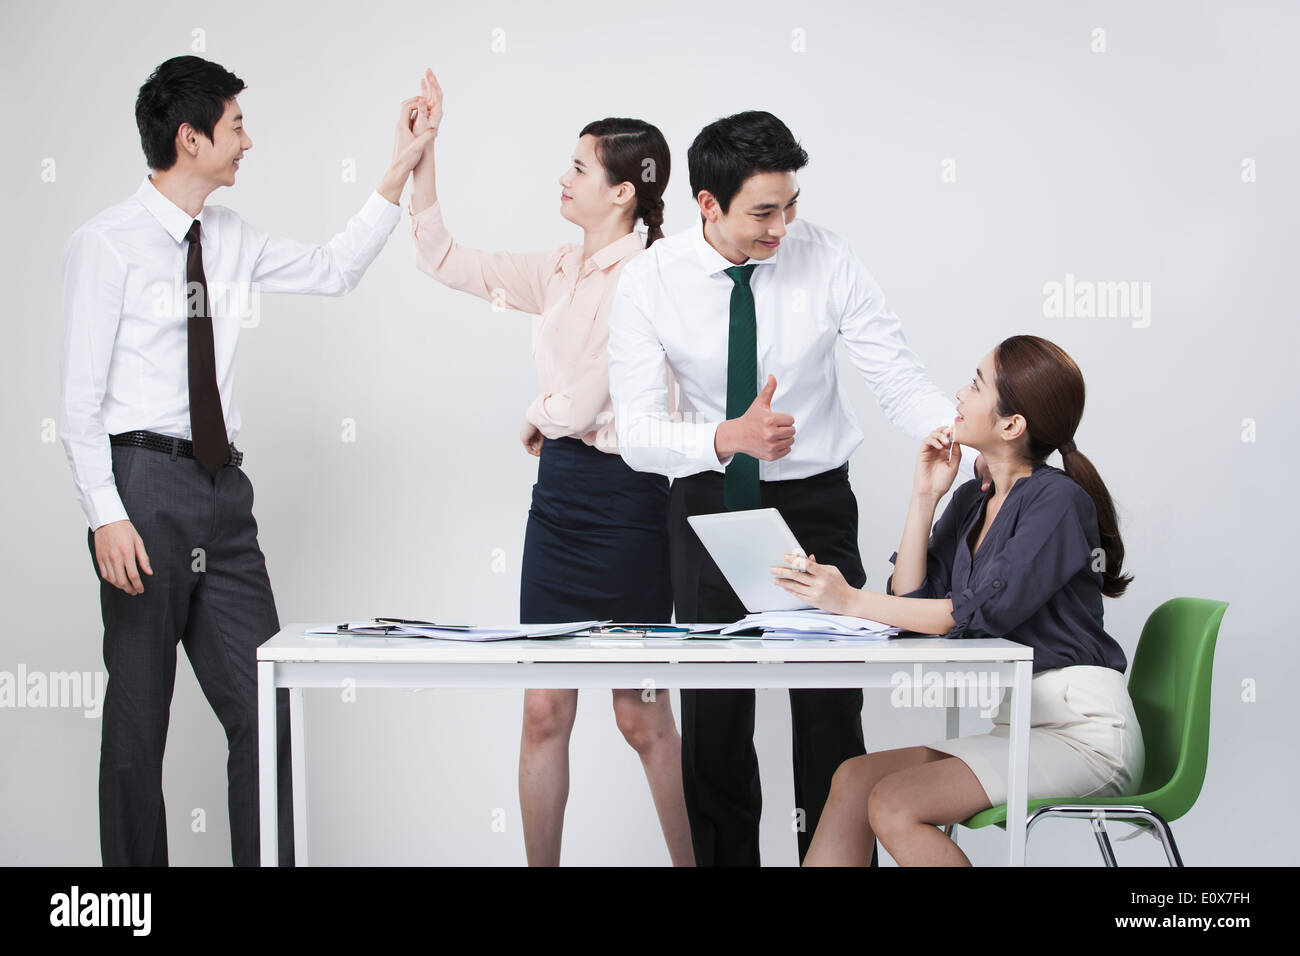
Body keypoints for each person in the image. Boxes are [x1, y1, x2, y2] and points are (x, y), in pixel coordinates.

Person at [58, 55, 433, 866]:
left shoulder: (229, 238)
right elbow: (78, 402)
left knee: (264, 706)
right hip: (142, 491)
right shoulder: (106, 244)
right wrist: (106, 514)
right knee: (137, 722)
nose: (248, 142)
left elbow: (334, 270)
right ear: (190, 139)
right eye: (235, 127)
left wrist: (400, 167)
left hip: (223, 496)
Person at [606, 109, 991, 866]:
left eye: (791, 205)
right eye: (763, 211)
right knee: (716, 715)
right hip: (710, 506)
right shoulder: (650, 280)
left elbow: (896, 377)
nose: (782, 226)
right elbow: (639, 433)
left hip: (814, 500)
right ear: (708, 205)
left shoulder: (830, 258)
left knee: (828, 709)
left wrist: (970, 439)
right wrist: (726, 438)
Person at [404, 70, 693, 866]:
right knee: (542, 710)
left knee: (639, 716)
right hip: (559, 501)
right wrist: (427, 153)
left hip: (630, 497)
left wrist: (538, 415)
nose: (561, 178)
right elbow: (445, 258)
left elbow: (600, 387)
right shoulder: (562, 268)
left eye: (578, 168)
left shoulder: (651, 277)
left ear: (624, 192)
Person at [770, 335, 1146, 866]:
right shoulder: (975, 499)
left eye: (975, 383)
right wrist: (925, 498)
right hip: (1019, 726)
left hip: (1082, 736)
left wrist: (850, 601)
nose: (959, 394)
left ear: (1012, 425)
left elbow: (971, 615)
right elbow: (914, 605)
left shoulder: (1056, 501)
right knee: (854, 779)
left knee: (895, 804)